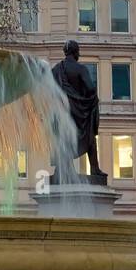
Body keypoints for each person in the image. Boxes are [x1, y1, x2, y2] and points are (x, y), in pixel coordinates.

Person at [51, 40, 106, 183]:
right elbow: (90, 88)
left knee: (63, 139)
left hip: (62, 111)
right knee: (89, 138)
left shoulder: (56, 70)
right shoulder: (81, 69)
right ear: (76, 52)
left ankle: (62, 168)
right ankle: (94, 169)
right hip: (79, 111)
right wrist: (87, 100)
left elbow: (49, 90)